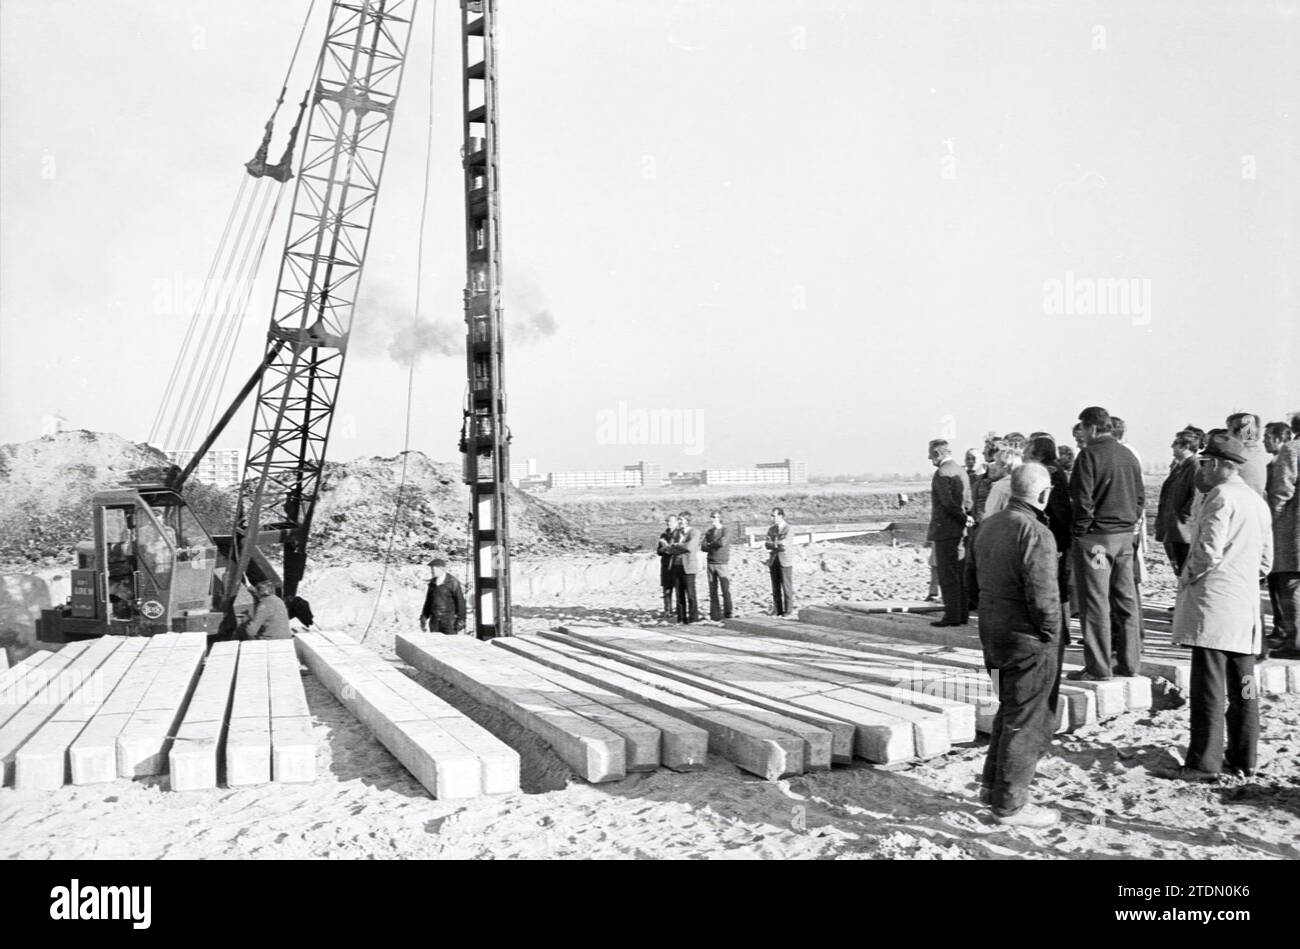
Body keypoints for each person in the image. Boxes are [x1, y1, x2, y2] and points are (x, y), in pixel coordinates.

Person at [1170, 433, 1272, 779]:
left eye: (1204, 464)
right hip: (1244, 609)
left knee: (1208, 689)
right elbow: (1265, 562)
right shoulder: (1257, 501)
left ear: (1214, 464)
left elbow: (1208, 552)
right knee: (1246, 687)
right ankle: (1246, 757)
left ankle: (1203, 763)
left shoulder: (1220, 497)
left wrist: (1187, 578)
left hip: (1215, 607)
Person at [970, 463, 1063, 827]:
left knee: (1008, 711)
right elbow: (1044, 598)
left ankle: (992, 787)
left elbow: (969, 584)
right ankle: (1010, 805)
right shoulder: (1036, 533)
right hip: (1027, 639)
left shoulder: (987, 526)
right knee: (1027, 720)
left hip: (992, 634)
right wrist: (1051, 634)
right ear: (1042, 495)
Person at [1068, 406, 1144, 680]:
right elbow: (1139, 499)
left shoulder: (1088, 455)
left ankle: (1099, 667)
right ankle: (1130, 663)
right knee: (1126, 600)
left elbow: (1082, 500)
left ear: (1091, 427)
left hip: (1098, 541)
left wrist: (1081, 532)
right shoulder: (1127, 454)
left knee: (1097, 602)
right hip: (1124, 538)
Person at [1026, 435, 1072, 624]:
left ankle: (1061, 629)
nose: (1025, 449)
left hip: (1055, 533)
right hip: (1055, 532)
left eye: (1029, 446)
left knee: (1054, 581)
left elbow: (1056, 508)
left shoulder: (1049, 471)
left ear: (1040, 451)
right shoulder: (1049, 468)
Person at [927, 439, 971, 627]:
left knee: (947, 575)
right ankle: (962, 614)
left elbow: (947, 503)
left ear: (938, 454)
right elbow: (967, 501)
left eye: (931, 454)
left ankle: (952, 615)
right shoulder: (961, 471)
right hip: (960, 531)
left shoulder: (942, 473)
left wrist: (961, 518)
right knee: (960, 573)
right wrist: (967, 519)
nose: (929, 458)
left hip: (945, 530)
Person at [1266, 419, 1300, 657]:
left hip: (1292, 530)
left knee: (1290, 587)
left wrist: (1271, 522)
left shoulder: (1291, 449)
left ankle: (1294, 642)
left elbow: (1282, 491)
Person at [1156, 430, 1200, 576]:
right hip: (1176, 529)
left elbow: (1195, 496)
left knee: (1185, 571)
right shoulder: (1180, 466)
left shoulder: (1194, 466)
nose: (1171, 446)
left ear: (1185, 446)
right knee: (1180, 571)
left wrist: (1183, 518)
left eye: (1175, 443)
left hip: (1184, 532)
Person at [669, 511, 701, 623]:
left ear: (687, 520)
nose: (679, 522)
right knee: (679, 594)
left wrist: (678, 545)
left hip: (688, 566)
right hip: (676, 565)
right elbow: (671, 548)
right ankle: (681, 618)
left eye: (681, 520)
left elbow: (690, 547)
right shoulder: (676, 533)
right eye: (678, 520)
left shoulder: (694, 532)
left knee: (691, 594)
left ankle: (693, 619)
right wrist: (674, 547)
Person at [1227, 412, 1268, 497]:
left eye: (1229, 430)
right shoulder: (1260, 452)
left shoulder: (1237, 455)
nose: (1227, 435)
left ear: (1240, 432)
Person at [420, 558, 466, 634]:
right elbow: (428, 602)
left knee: (450, 644)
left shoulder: (452, 582)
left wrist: (461, 620)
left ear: (441, 569)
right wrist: (424, 617)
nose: (432, 571)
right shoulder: (432, 583)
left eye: (434, 569)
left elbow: (460, 602)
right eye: (431, 569)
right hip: (435, 621)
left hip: (449, 622)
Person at [702, 510, 733, 620]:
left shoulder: (726, 530)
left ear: (720, 518)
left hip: (722, 562)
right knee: (712, 590)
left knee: (725, 589)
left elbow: (722, 543)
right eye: (711, 517)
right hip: (711, 562)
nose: (713, 519)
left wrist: (710, 544)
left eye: (715, 517)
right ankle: (715, 614)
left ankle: (728, 612)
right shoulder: (709, 532)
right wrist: (711, 545)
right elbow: (703, 546)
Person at [765, 507, 795, 616]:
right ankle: (778, 610)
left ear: (781, 516)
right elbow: (767, 544)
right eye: (771, 515)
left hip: (785, 560)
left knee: (786, 586)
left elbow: (784, 544)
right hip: (773, 560)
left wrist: (774, 544)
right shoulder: (771, 529)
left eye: (774, 515)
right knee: (775, 586)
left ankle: (788, 610)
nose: (772, 518)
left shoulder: (789, 529)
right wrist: (776, 544)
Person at [983, 446, 1024, 517]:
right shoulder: (1023, 485)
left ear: (1006, 467)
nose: (993, 466)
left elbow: (990, 514)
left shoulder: (1001, 487)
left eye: (997, 463)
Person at [655, 514, 679, 618]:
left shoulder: (679, 534)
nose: (669, 523)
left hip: (676, 563)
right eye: (668, 521)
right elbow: (659, 551)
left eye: (672, 521)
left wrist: (667, 547)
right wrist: (664, 548)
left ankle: (679, 610)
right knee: (667, 589)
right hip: (665, 564)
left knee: (679, 589)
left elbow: (677, 550)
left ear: (677, 522)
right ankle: (667, 610)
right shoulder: (664, 535)